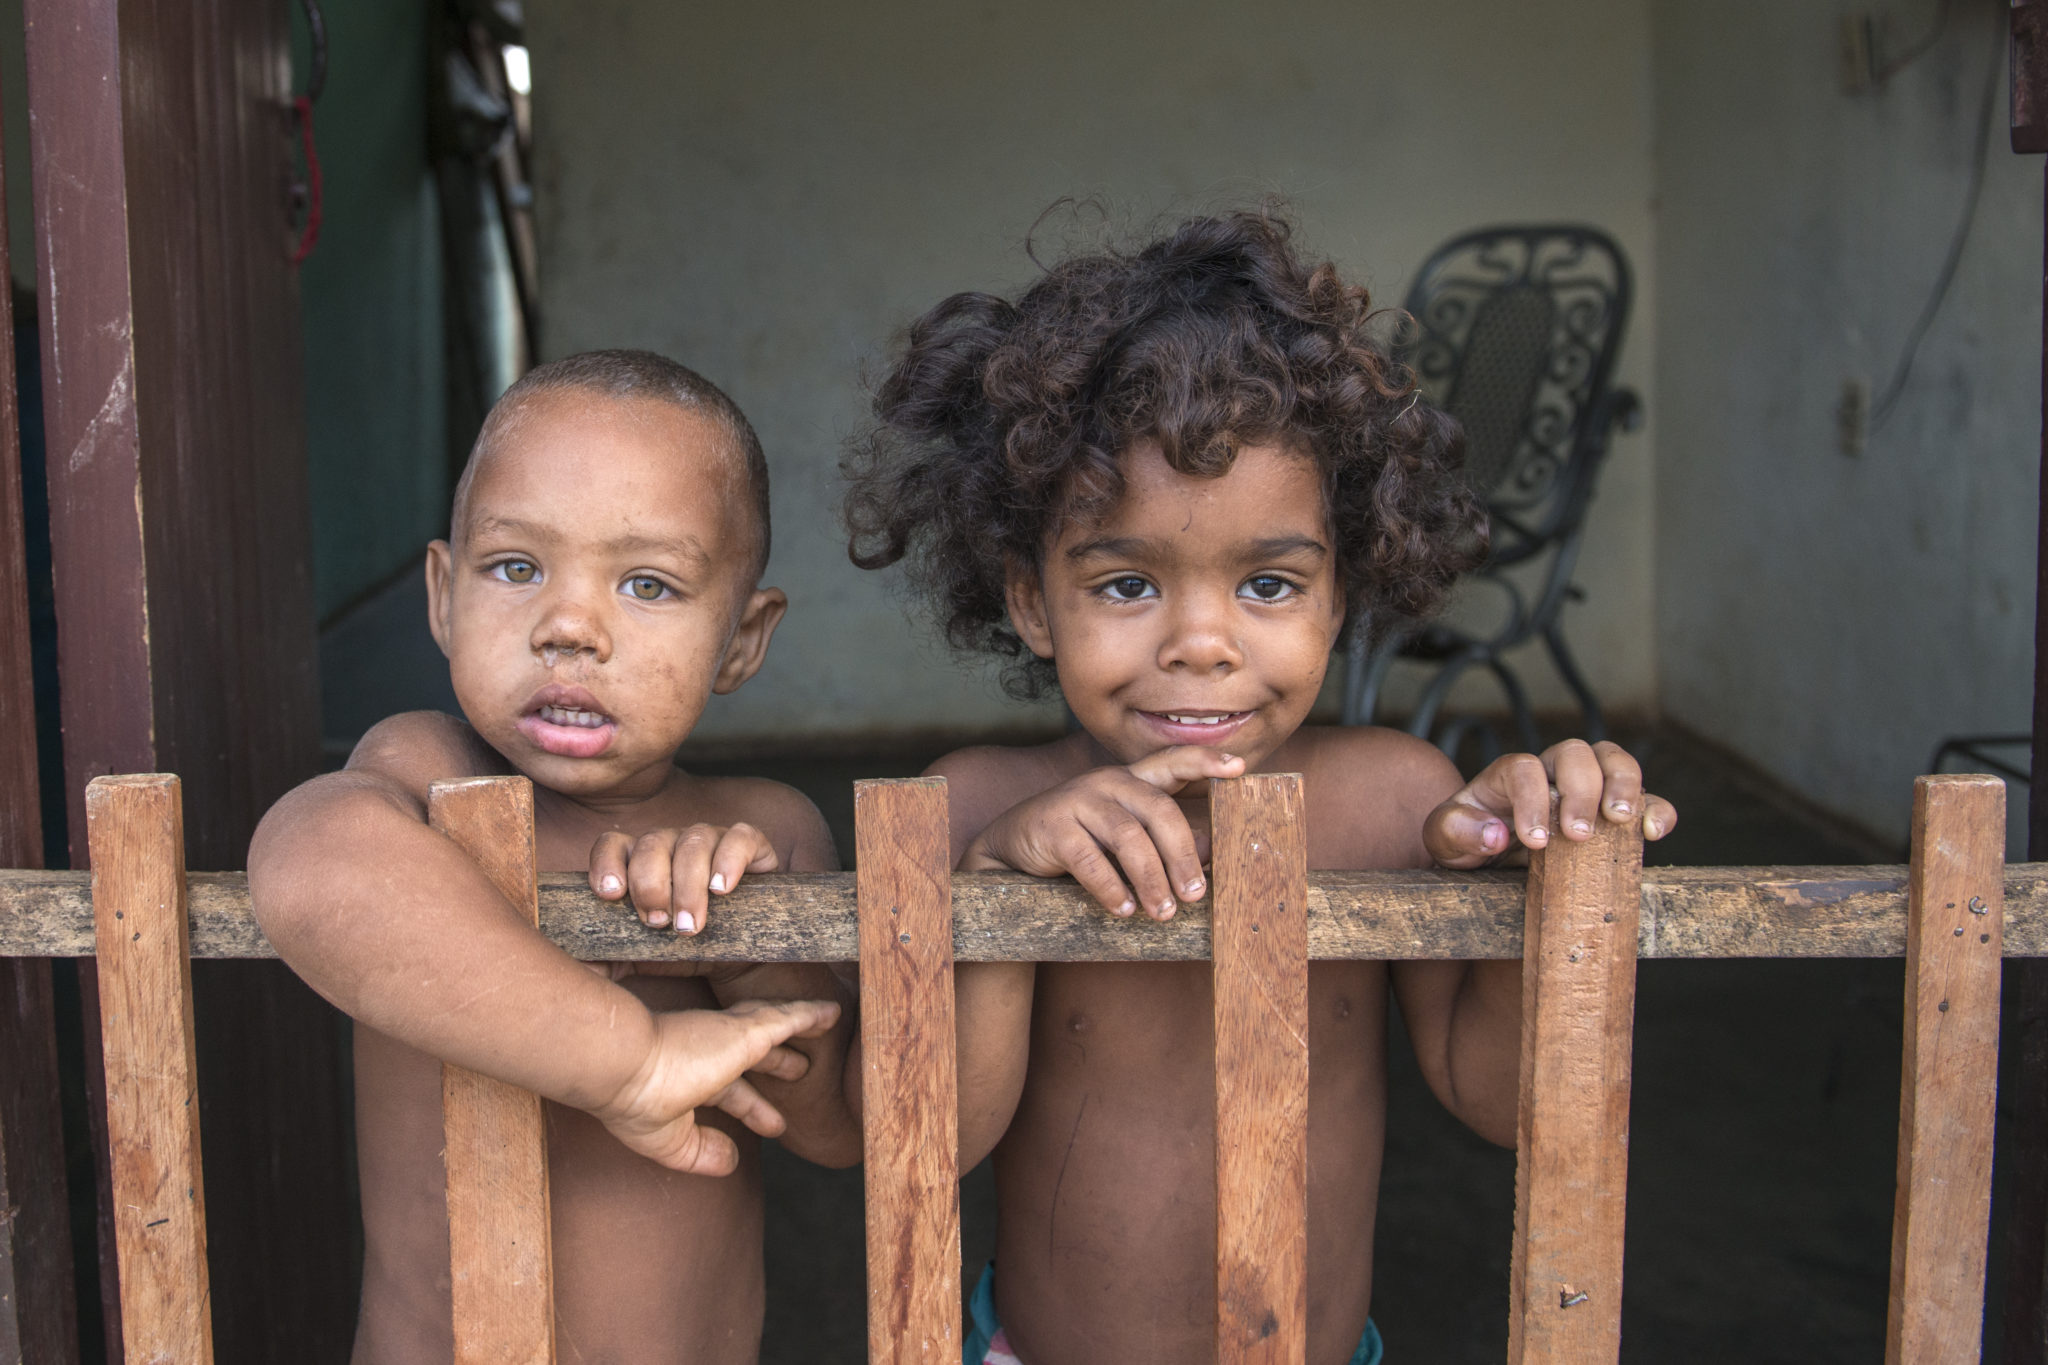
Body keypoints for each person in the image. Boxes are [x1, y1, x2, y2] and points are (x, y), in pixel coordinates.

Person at [843, 209, 1677, 1365]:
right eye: (1126, 585)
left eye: (1269, 586)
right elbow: (923, 1145)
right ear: (1032, 601)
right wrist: (991, 895)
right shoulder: (977, 806)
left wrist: (1538, 864)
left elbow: (1498, 1100)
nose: (1201, 644)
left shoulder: (1393, 802)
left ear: (1341, 594)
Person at [250, 350, 858, 1365]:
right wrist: (632, 1061)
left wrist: (741, 943)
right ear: (443, 595)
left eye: (648, 584)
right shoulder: (424, 775)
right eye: (515, 567)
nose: (569, 628)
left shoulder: (765, 832)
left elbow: (838, 1127)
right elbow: (306, 869)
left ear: (741, 640)